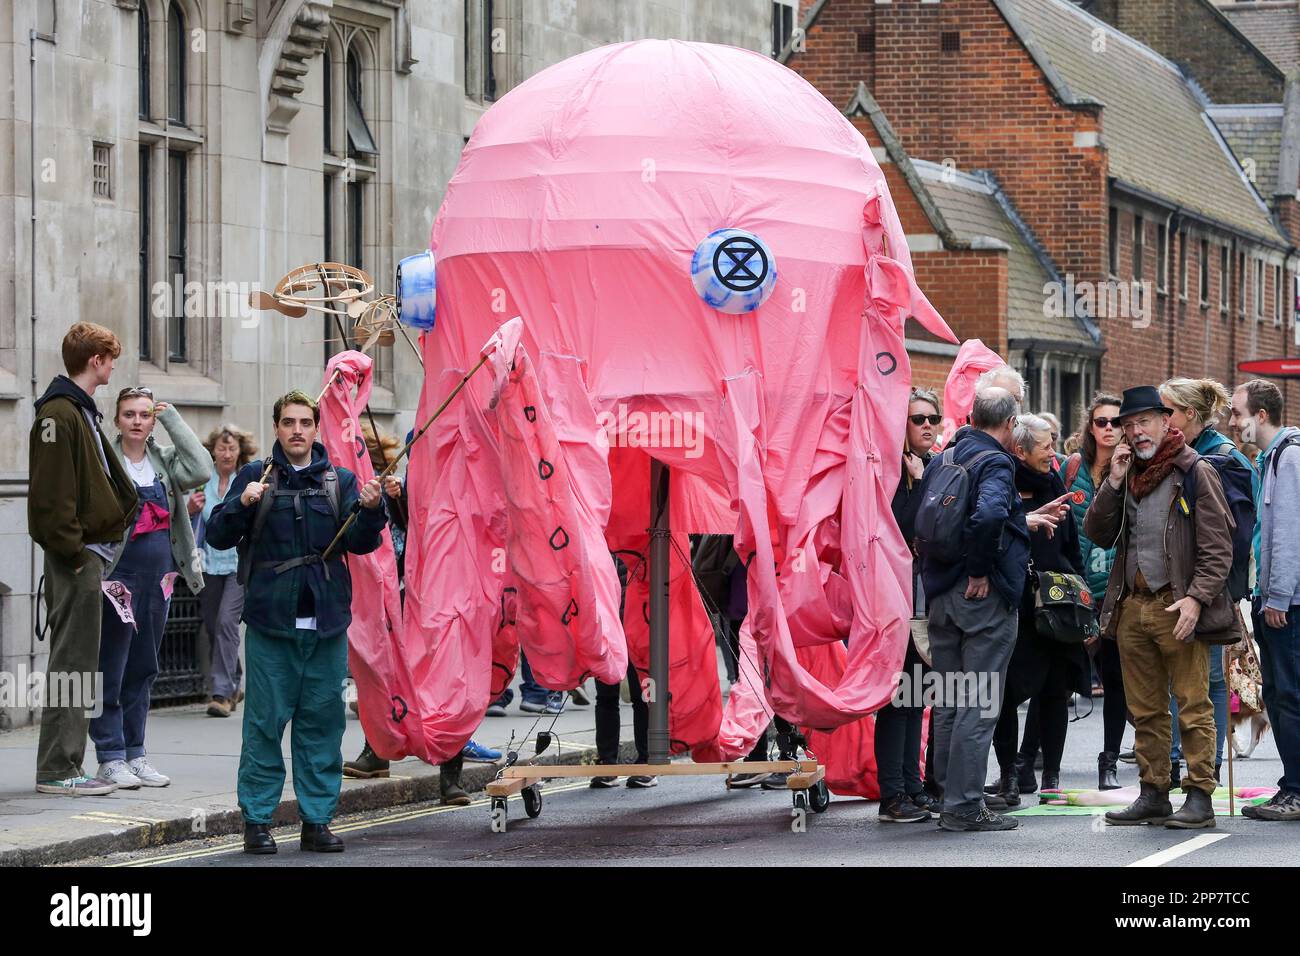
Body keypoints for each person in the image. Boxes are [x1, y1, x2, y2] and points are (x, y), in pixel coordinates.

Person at [207, 389, 386, 854]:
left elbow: (363, 543)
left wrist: (371, 509)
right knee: (264, 727)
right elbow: (218, 535)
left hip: (326, 625)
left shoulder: (339, 479)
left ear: (316, 428)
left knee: (322, 727)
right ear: (276, 428)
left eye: (305, 423)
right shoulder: (254, 475)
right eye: (288, 423)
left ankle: (317, 820)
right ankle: (259, 822)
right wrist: (241, 503)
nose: (297, 431)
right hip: (271, 624)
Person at [1085, 386, 1237, 829]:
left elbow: (1218, 546)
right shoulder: (1128, 471)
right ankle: (1153, 792)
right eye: (1128, 425)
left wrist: (1196, 598)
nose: (1134, 432)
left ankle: (1199, 796)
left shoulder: (1194, 469)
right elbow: (1096, 531)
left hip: (1178, 604)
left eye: (1144, 422)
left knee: (1192, 704)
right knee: (1145, 708)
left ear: (1165, 421)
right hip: (1133, 606)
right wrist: (1112, 482)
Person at [341, 426, 500, 805]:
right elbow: (409, 528)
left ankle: (451, 775)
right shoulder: (413, 478)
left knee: (449, 681)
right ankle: (377, 750)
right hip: (403, 592)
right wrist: (398, 499)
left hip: (449, 596)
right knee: (388, 672)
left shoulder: (466, 480)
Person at [29, 323, 140, 795]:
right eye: (110, 358)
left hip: (86, 556)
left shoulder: (79, 411)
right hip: (76, 559)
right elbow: (51, 500)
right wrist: (75, 555)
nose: (114, 366)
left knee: (80, 663)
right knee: (72, 664)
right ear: (95, 360)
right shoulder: (59, 412)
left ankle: (65, 765)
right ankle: (58, 769)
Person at [922, 387, 1037, 832]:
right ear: (1009, 424)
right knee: (978, 700)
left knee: (951, 699)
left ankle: (948, 796)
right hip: (979, 599)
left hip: (941, 597)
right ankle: (965, 805)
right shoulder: (995, 462)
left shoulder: (944, 458)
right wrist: (979, 570)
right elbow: (989, 516)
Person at [90, 389, 210, 789]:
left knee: (144, 666)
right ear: (118, 420)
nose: (138, 421)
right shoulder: (105, 459)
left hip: (159, 578)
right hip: (118, 577)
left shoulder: (165, 460)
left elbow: (202, 469)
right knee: (112, 665)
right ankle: (109, 756)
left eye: (145, 414)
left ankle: (135, 752)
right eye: (129, 415)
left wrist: (173, 418)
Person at [989, 415, 1089, 807]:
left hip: (1058, 606)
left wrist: (1084, 602)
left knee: (1055, 691)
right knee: (1007, 695)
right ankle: (1011, 777)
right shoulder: (1003, 484)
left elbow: (1072, 548)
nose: (1053, 452)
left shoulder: (1054, 483)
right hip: (1018, 607)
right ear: (1020, 450)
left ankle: (1050, 778)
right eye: (1046, 446)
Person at [1159, 378, 1253, 783]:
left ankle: (1206, 761)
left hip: (1210, 584)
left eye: (1169, 413)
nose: (1162, 422)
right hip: (1178, 583)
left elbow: (1236, 532)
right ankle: (1180, 755)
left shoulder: (1222, 458)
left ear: (1190, 415)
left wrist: (1218, 588)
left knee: (1210, 675)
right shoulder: (1178, 453)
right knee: (1179, 674)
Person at [1231, 379, 1300, 820]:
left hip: (1286, 604)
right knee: (1278, 694)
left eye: (1238, 413)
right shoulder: (1274, 458)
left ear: (1260, 416)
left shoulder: (1289, 457)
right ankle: (1290, 784)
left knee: (1288, 695)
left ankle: (1296, 790)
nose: (1233, 422)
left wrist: (1276, 597)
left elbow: (1289, 536)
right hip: (1275, 599)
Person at [875, 387, 942, 822]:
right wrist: (917, 486)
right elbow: (904, 528)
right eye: (918, 419)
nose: (928, 426)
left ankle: (913, 787)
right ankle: (892, 795)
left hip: (925, 600)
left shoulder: (932, 467)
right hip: (892, 599)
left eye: (933, 418)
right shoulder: (890, 472)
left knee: (916, 696)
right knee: (896, 698)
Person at [1065, 393, 1127, 790]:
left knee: (1116, 679)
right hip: (1075, 587)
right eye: (1101, 421)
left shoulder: (1132, 469)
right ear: (1090, 427)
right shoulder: (1073, 468)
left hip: (1116, 593)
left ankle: (1109, 761)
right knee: (1057, 678)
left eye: (1115, 422)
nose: (1108, 428)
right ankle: (1029, 763)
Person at [195, 423, 258, 718]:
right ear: (213, 452)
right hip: (208, 565)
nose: (227, 453)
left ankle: (221, 693)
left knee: (225, 623)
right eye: (222, 447)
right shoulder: (202, 483)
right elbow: (190, 522)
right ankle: (234, 683)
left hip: (236, 565)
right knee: (212, 625)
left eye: (232, 448)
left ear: (239, 452)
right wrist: (191, 509)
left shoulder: (244, 482)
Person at [591, 554, 655, 788]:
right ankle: (608, 763)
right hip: (607, 623)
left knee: (642, 695)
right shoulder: (599, 532)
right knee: (606, 696)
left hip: (638, 622)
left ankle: (647, 762)